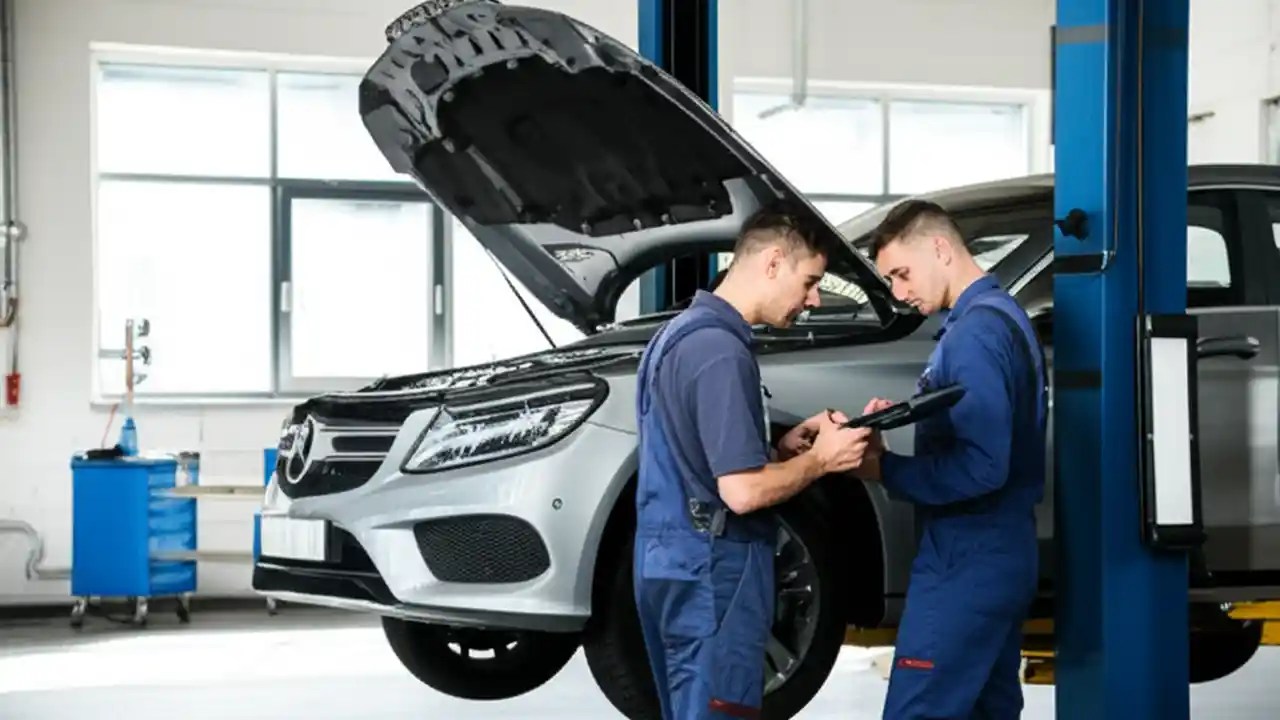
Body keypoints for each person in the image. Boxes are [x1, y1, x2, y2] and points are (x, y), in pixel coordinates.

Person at [632, 203, 873, 720]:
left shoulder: (675, 337)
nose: (812, 300)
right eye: (809, 281)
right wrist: (822, 461)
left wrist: (779, 452)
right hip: (715, 575)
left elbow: (691, 455)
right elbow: (741, 492)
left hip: (667, 560)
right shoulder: (722, 352)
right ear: (772, 263)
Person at [851, 199, 1048, 720]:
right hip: (1001, 555)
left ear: (940, 248)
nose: (898, 292)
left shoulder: (974, 334)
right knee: (990, 710)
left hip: (968, 559)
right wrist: (910, 414)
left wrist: (883, 469)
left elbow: (984, 465)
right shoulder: (999, 316)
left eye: (901, 273)